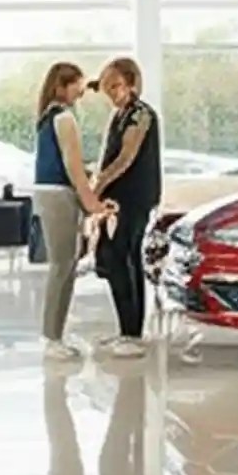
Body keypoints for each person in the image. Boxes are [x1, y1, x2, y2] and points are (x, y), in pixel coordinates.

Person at [32, 62, 111, 362]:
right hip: (59, 195)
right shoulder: (64, 118)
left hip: (50, 193)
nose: (82, 91)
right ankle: (52, 337)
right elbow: (73, 167)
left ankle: (54, 334)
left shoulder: (47, 117)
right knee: (62, 267)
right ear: (62, 86)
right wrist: (91, 201)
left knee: (63, 266)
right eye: (78, 85)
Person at [90, 57, 162, 358]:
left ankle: (132, 333)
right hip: (117, 197)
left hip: (133, 197)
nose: (112, 93)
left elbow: (126, 157)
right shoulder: (119, 115)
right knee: (118, 256)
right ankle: (127, 330)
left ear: (131, 83)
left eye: (116, 86)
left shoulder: (140, 115)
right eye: (107, 87)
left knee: (121, 256)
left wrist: (99, 182)